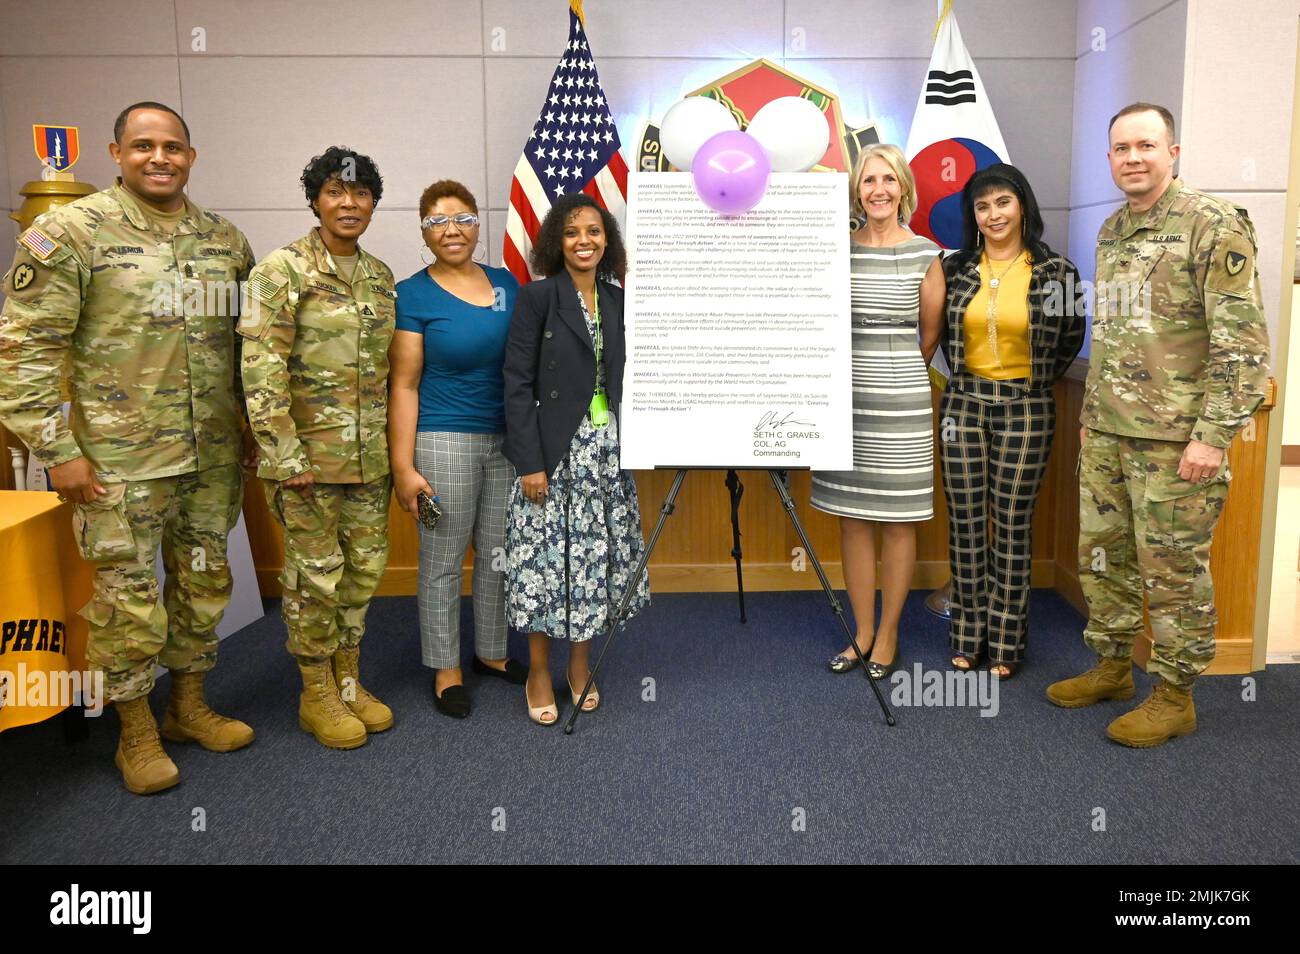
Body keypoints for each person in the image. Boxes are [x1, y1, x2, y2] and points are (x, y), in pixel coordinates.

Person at [0, 102, 256, 794]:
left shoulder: (223, 240)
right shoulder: (70, 231)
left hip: (210, 458)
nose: (159, 157)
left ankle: (188, 707)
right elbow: (23, 350)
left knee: (204, 586)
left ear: (191, 156)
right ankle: (135, 735)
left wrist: (253, 430)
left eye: (173, 146)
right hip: (118, 465)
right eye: (143, 146)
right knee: (126, 602)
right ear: (116, 152)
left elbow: (247, 347)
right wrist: (56, 449)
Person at [1046, 103, 1270, 746]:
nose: (1133, 157)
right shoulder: (1114, 228)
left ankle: (1175, 696)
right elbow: (1115, 336)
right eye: (1121, 148)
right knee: (1103, 558)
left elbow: (1243, 346)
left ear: (1173, 151)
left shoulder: (1212, 224)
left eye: (1146, 144)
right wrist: (1093, 420)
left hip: (1178, 442)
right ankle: (1114, 667)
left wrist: (1212, 435)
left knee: (1171, 571)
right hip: (1111, 432)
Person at [240, 146, 397, 750]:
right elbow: (260, 368)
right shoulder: (279, 272)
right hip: (305, 464)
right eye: (335, 191)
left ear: (373, 203)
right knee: (313, 578)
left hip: (369, 462)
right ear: (315, 199)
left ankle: (349, 681)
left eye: (360, 194)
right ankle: (316, 693)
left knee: (360, 573)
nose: (349, 202)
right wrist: (284, 457)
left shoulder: (380, 277)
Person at [502, 193, 649, 725]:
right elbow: (516, 383)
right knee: (545, 563)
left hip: (607, 451)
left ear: (607, 239)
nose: (583, 240)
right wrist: (530, 463)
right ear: (555, 244)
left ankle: (580, 666)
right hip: (553, 451)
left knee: (593, 562)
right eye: (571, 232)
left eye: (593, 230)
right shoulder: (536, 298)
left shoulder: (618, 300)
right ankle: (540, 669)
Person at [939, 164, 1087, 679]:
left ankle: (1005, 642)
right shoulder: (955, 268)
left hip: (1027, 405)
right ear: (973, 216)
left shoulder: (1056, 272)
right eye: (982, 206)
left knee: (1012, 526)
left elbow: (1070, 338)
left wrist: (1035, 380)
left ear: (1022, 204)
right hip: (963, 404)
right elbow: (936, 331)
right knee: (966, 523)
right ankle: (966, 635)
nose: (994, 213)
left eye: (1003, 201)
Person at [389, 180, 525, 719]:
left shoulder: (506, 284)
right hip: (443, 439)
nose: (452, 230)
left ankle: (491, 652)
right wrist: (403, 466)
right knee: (443, 558)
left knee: (497, 553)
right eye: (438, 221)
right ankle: (446, 668)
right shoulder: (413, 293)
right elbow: (402, 384)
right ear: (424, 232)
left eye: (464, 219)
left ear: (477, 225)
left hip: (508, 441)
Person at [814, 143, 944, 680]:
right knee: (853, 519)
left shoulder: (926, 254)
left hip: (901, 401)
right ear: (856, 192)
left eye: (888, 180)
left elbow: (929, 336)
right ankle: (861, 632)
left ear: (904, 189)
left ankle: (889, 634)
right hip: (842, 400)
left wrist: (891, 373)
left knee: (897, 519)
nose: (879, 190)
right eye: (869, 181)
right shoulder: (835, 250)